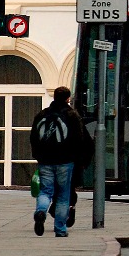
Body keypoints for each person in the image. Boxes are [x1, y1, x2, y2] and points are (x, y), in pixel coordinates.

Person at [30, 86, 84, 238]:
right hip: (65, 161)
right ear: (68, 98)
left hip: (45, 161)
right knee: (62, 195)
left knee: (45, 191)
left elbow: (33, 137)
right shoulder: (72, 115)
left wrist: (38, 156)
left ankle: (41, 211)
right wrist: (77, 158)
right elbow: (79, 139)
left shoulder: (42, 115)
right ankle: (60, 229)